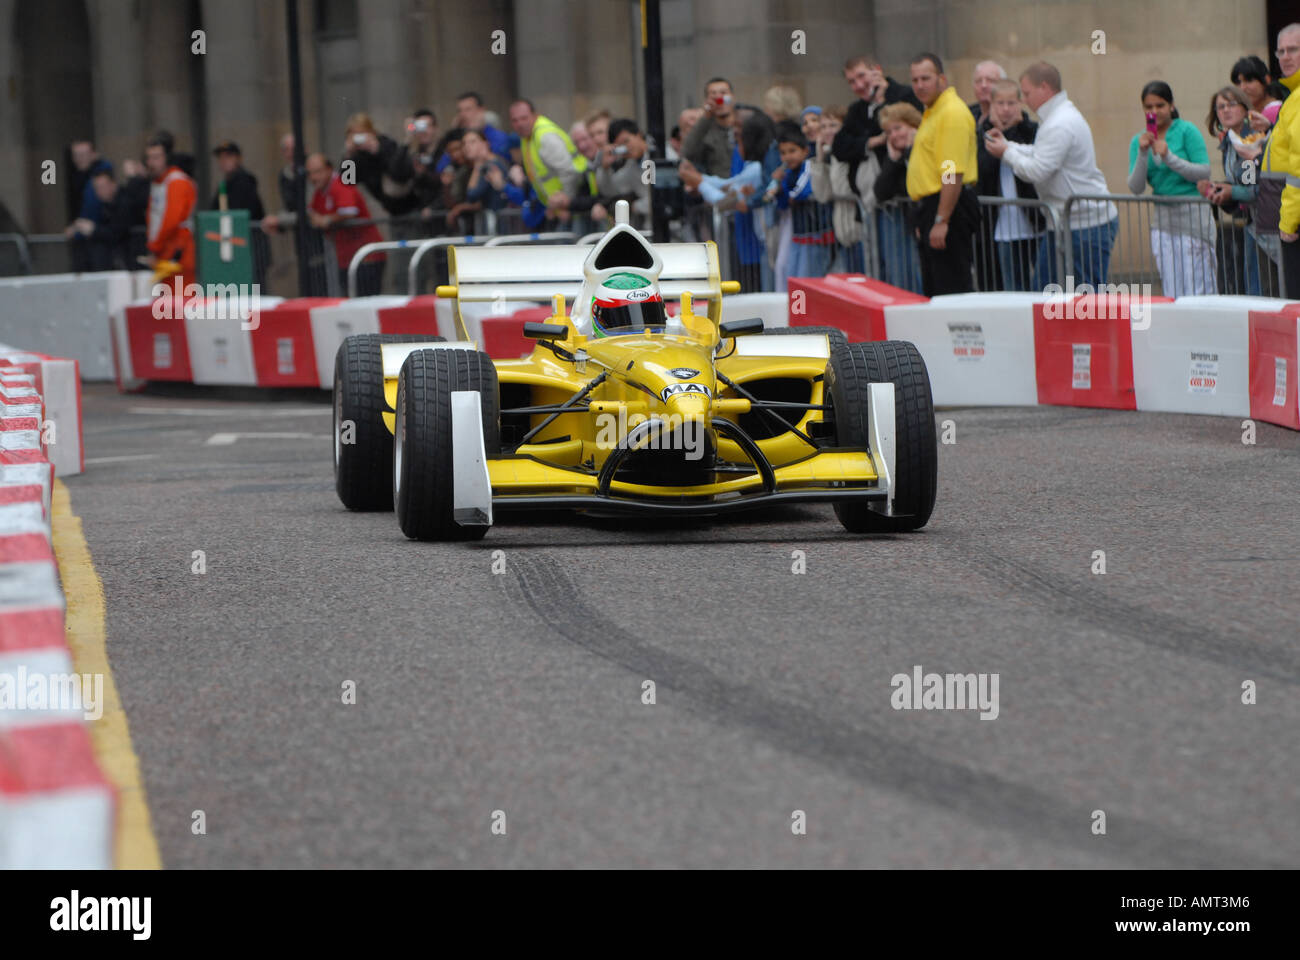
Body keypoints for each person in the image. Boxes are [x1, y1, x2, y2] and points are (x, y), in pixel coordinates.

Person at [985, 61, 1119, 289]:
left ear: (1044, 88)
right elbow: (1040, 154)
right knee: (1045, 292)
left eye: (1026, 93)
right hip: (1067, 221)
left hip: (1084, 224)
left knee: (1085, 298)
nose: (1024, 100)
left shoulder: (1060, 122)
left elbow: (1037, 170)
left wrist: (1006, 151)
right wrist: (1008, 145)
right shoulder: (1058, 117)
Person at [1127, 81, 1216, 297]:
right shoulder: (1138, 140)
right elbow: (1136, 187)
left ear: (1171, 106)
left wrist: (1169, 157)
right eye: (1149, 107)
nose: (1154, 111)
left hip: (1193, 219)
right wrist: (1142, 152)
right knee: (1172, 288)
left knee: (1199, 287)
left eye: (1160, 105)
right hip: (1163, 223)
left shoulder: (1186, 130)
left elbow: (1203, 171)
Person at [905, 53, 979, 296]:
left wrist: (941, 220)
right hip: (933, 208)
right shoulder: (934, 111)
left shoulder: (951, 113)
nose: (919, 85)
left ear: (942, 79)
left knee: (951, 290)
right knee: (936, 289)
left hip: (948, 207)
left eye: (926, 78)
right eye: (915, 80)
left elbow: (951, 173)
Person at [1198, 86, 1270, 295]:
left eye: (1231, 104)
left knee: (1263, 290)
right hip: (1250, 224)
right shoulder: (1229, 143)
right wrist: (1217, 189)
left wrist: (1230, 192)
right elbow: (1240, 183)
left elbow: (1252, 189)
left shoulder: (1252, 140)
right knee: (1252, 289)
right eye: (1220, 107)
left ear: (1244, 107)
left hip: (1267, 226)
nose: (1225, 110)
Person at [975, 79, 1041, 291]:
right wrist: (996, 132)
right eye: (1000, 104)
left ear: (1020, 104)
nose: (1005, 109)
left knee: (1044, 282)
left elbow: (1031, 158)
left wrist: (1010, 131)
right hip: (1003, 226)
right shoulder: (983, 133)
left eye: (1011, 103)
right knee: (1013, 285)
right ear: (992, 106)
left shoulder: (1032, 130)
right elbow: (983, 170)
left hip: (1034, 220)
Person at [765, 122, 834, 290]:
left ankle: (807, 315)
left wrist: (782, 188)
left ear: (805, 151)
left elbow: (800, 192)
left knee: (808, 282)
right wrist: (780, 187)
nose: (788, 157)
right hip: (799, 236)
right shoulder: (787, 173)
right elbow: (783, 204)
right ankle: (798, 315)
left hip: (816, 235)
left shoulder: (808, 166)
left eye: (792, 151)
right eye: (783, 153)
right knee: (794, 279)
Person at [306, 153, 385, 296]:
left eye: (318, 172)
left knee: (367, 301)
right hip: (346, 257)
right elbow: (310, 211)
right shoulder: (320, 192)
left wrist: (327, 220)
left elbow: (349, 210)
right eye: (310, 173)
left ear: (329, 169)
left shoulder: (341, 183)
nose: (313, 178)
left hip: (365, 256)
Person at [509, 98, 596, 230]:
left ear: (535, 115)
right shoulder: (527, 137)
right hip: (561, 205)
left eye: (524, 118)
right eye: (515, 120)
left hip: (575, 203)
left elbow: (568, 171)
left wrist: (566, 203)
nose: (520, 124)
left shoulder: (544, 136)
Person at [1262, 23, 1300, 297]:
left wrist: (1288, 223)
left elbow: (1297, 169)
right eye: (1281, 51)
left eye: (1293, 50)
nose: (1285, 57)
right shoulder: (1293, 97)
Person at [811, 106, 873, 273]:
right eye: (823, 127)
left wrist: (838, 154)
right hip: (843, 234)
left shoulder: (850, 154)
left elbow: (842, 189)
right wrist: (819, 160)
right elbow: (822, 195)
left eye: (833, 125)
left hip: (860, 231)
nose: (827, 131)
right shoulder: (828, 155)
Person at [832, 55, 924, 166]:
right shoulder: (855, 110)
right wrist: (873, 141)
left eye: (861, 76)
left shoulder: (906, 95)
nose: (859, 85)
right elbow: (838, 147)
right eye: (852, 82)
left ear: (877, 71)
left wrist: (881, 102)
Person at [871, 103, 924, 291]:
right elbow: (880, 192)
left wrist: (909, 152)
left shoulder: (925, 148)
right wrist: (892, 160)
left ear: (913, 125)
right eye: (889, 132)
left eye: (898, 128)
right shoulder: (899, 156)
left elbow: (924, 181)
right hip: (913, 225)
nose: (894, 135)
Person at [210, 140, 270, 286]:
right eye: (221, 158)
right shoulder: (224, 185)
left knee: (254, 286)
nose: (224, 161)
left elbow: (245, 211)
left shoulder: (244, 181)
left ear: (238, 158)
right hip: (235, 246)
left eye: (228, 156)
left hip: (249, 246)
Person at [143, 135, 197, 287]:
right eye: (149, 158)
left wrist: (154, 247)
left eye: (156, 158)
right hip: (166, 253)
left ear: (167, 158)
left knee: (178, 304)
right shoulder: (160, 183)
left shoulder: (176, 182)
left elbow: (171, 220)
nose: (151, 163)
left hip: (177, 253)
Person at [387, 109, 444, 225]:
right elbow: (395, 173)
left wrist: (434, 208)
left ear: (435, 128)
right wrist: (407, 138)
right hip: (419, 218)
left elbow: (445, 183)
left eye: (427, 126)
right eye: (420, 127)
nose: (423, 131)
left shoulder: (445, 152)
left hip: (441, 216)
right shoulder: (414, 155)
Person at [64, 140, 113, 271]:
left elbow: (92, 209)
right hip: (88, 237)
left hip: (99, 241)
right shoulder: (79, 176)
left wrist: (78, 227)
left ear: (93, 155)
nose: (78, 159)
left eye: (82, 154)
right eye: (75, 155)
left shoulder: (99, 176)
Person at [595, 119, 652, 229]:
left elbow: (659, 198)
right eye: (620, 146)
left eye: (627, 141)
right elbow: (610, 190)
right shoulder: (631, 166)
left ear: (638, 135)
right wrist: (605, 168)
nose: (627, 148)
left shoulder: (658, 155)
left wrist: (636, 206)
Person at [341, 112, 402, 215]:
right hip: (389, 208)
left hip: (406, 201)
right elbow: (348, 182)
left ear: (372, 132)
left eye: (362, 133)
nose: (359, 139)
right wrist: (348, 156)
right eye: (354, 135)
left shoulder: (386, 144)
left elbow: (398, 171)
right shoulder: (357, 156)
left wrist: (376, 150)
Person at [684, 77, 741, 177]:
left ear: (732, 97)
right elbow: (689, 152)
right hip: (717, 187)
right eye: (713, 95)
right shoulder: (705, 129)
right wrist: (705, 117)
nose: (719, 99)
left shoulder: (744, 124)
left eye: (723, 93)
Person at [969, 61, 1008, 128]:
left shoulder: (1013, 117)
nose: (983, 85)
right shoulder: (968, 113)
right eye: (979, 80)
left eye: (990, 80)